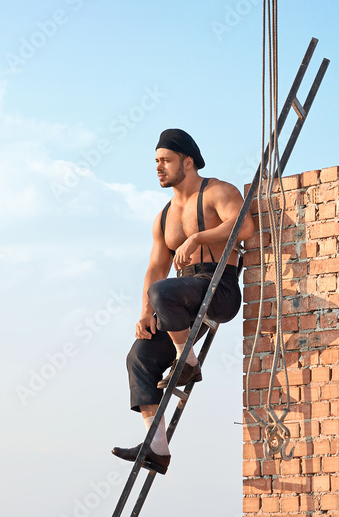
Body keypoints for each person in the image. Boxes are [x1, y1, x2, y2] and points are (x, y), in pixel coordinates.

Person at [112, 128, 254, 475]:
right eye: (156, 161)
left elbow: (244, 226)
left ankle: (186, 362)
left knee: (163, 292)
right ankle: (157, 447)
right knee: (139, 355)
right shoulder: (163, 217)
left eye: (166, 160)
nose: (159, 167)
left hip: (218, 288)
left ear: (187, 162)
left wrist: (198, 237)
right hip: (180, 299)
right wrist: (146, 313)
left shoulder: (218, 191)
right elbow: (156, 267)